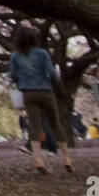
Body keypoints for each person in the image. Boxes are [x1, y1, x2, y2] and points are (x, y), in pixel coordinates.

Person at [9, 25, 73, 173]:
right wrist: (53, 81)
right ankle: (66, 158)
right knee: (56, 124)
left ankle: (38, 160)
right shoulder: (42, 53)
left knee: (35, 127)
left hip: (29, 93)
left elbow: (12, 75)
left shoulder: (16, 56)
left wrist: (21, 82)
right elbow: (52, 73)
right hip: (46, 91)